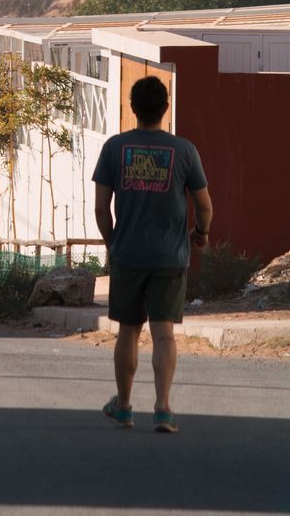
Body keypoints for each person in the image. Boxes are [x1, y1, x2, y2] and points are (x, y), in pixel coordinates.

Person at [93, 76, 212, 434]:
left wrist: (112, 241)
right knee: (164, 334)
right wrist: (201, 234)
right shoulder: (185, 151)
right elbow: (205, 206)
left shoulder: (115, 148)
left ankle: (124, 406)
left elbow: (101, 206)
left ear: (133, 107)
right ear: (165, 108)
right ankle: (162, 409)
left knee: (128, 331)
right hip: (170, 257)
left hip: (128, 254)